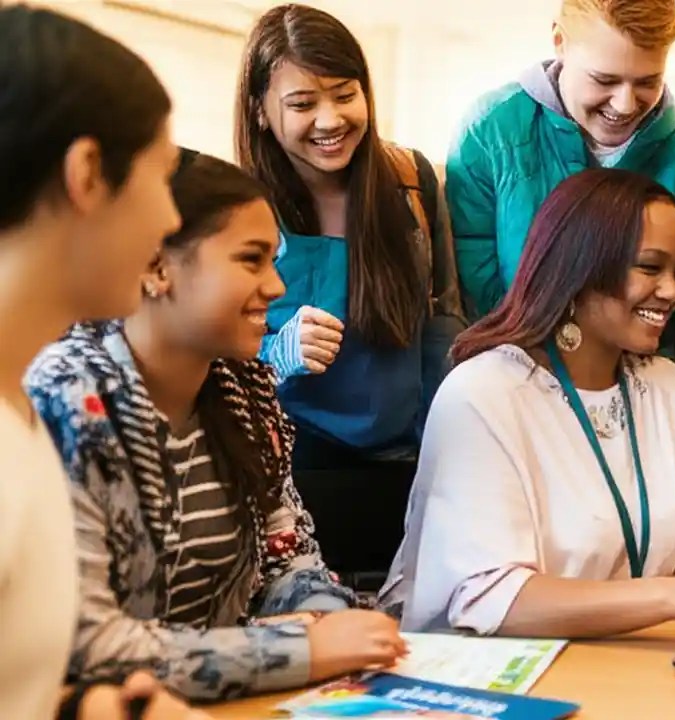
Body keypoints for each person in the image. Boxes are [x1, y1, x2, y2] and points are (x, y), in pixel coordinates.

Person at [381, 169, 675, 654]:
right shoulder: (483, 393)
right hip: (491, 674)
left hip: (633, 667)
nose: (673, 291)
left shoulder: (671, 389)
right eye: (650, 268)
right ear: (579, 267)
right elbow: (489, 598)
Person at [24, 151, 407, 702]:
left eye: (274, 261)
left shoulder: (244, 387)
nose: (276, 287)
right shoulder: (68, 397)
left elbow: (288, 557)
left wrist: (329, 620)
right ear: (157, 268)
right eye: (252, 260)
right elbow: (86, 645)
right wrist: (304, 649)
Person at [0, 5, 206, 719]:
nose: (171, 220)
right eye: (162, 177)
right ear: (87, 173)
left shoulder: (20, 408)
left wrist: (85, 707)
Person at [235, 3, 464, 586]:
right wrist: (277, 354)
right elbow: (207, 356)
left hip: (409, 466)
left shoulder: (411, 182)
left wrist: (445, 444)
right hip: (294, 475)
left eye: (344, 95)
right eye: (302, 104)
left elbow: (442, 318)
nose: (330, 120)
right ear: (260, 110)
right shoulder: (238, 207)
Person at [447, 0, 675, 318]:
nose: (624, 105)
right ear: (560, 42)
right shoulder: (491, 131)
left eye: (647, 82)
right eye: (604, 80)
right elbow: (472, 276)